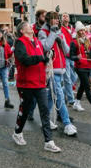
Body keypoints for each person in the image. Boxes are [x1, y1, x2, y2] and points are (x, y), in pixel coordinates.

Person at [11, 21, 61, 153]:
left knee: (45, 111)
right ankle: (17, 132)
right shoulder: (20, 42)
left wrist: (49, 56)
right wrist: (41, 58)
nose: (30, 27)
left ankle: (49, 141)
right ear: (22, 30)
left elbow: (43, 56)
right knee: (25, 111)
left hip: (39, 83)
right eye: (27, 25)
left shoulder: (38, 42)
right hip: (25, 83)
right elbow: (25, 59)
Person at [38, 11, 77, 136]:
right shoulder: (43, 33)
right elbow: (45, 47)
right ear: (49, 20)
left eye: (57, 19)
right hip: (51, 69)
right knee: (59, 95)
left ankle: (46, 120)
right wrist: (53, 35)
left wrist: (61, 40)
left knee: (51, 96)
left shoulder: (59, 32)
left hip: (61, 68)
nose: (57, 21)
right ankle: (67, 123)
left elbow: (67, 51)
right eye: (54, 19)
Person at [69, 22, 91, 114]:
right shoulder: (74, 42)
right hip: (80, 67)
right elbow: (71, 56)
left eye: (83, 30)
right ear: (77, 32)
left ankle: (76, 103)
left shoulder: (87, 41)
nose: (82, 32)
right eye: (80, 30)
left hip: (88, 66)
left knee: (82, 86)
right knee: (87, 87)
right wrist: (77, 57)